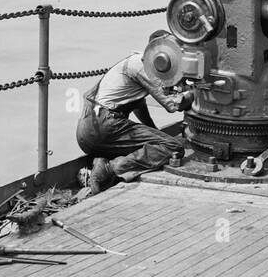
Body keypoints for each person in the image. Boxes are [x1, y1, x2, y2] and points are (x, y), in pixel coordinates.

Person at [76, 30, 193, 194]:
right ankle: (110, 169)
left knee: (155, 144)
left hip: (87, 132)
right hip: (105, 125)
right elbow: (172, 106)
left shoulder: (133, 62)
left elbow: (139, 105)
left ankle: (101, 162)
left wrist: (155, 133)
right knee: (174, 147)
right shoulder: (141, 67)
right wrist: (195, 93)